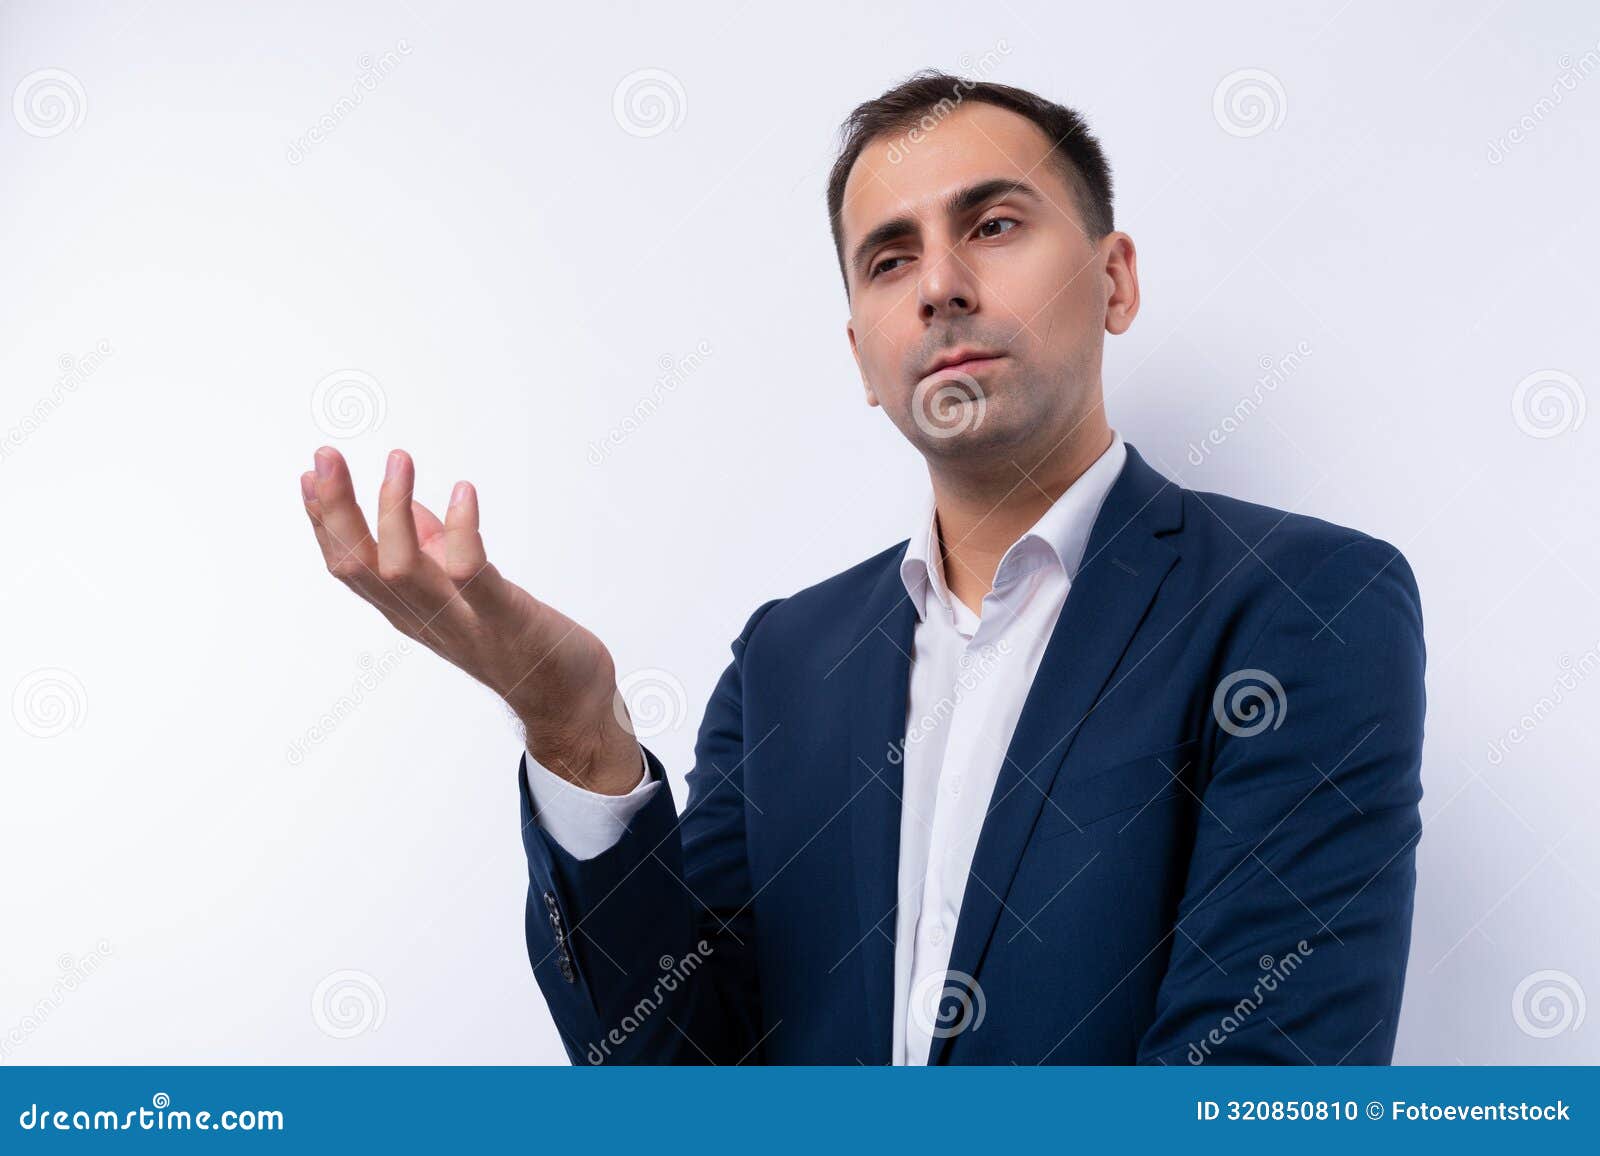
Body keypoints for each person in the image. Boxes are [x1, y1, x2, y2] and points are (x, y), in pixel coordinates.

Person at [300, 71, 1425, 1065]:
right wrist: (573, 731)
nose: (938, 285)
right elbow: (686, 1083)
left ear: (1115, 279)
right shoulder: (786, 658)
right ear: (862, 358)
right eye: (889, 259)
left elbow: (1264, 1092)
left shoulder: (1304, 604)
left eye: (991, 225)